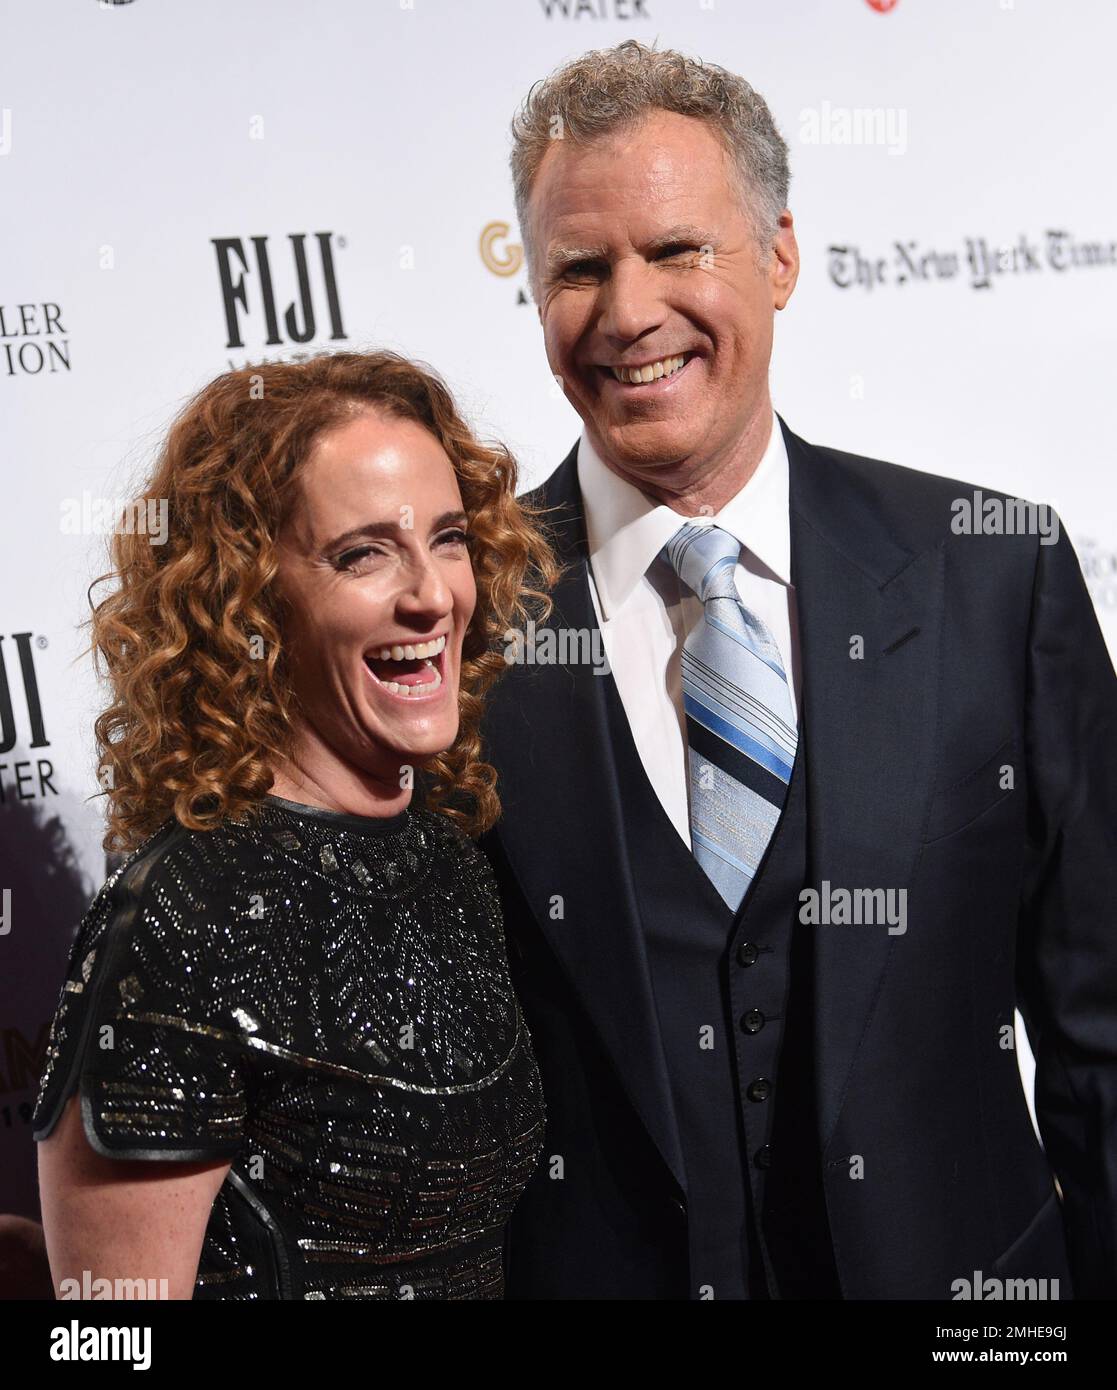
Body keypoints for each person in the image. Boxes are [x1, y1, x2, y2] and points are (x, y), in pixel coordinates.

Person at [480, 39, 1117, 1299]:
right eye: (578, 268)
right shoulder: (454, 616)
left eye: (675, 251)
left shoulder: (992, 573)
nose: (627, 313)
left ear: (778, 257)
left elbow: (1103, 1027)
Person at [33, 349, 556, 1300]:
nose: (432, 595)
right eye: (363, 553)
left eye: (446, 538)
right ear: (247, 603)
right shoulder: (184, 918)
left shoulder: (449, 850)